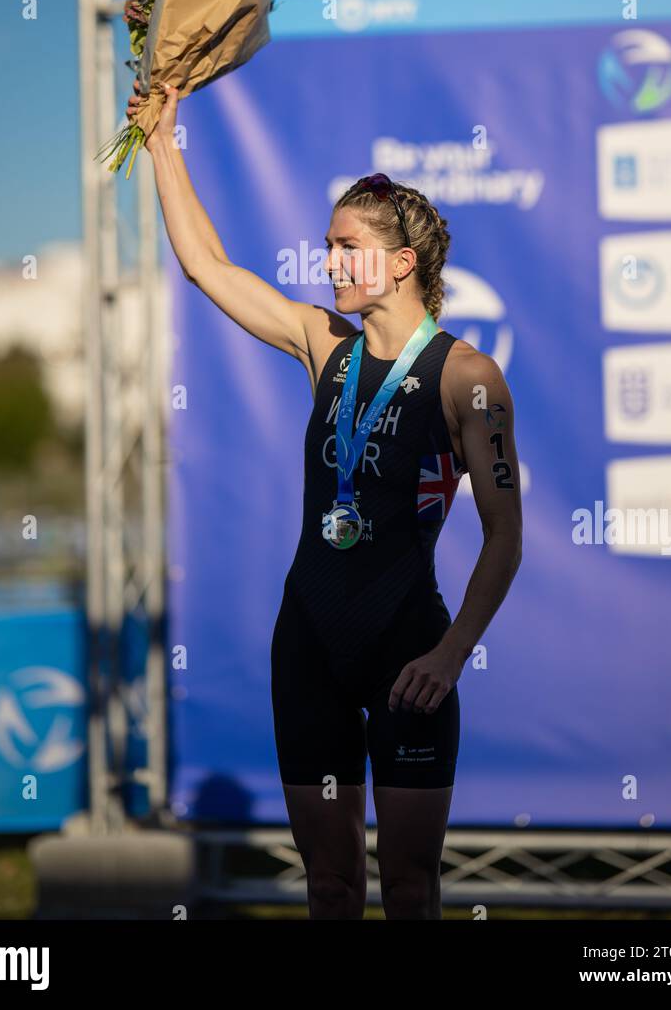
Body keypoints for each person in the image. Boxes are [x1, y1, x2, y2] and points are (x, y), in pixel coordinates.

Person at [129, 81, 523, 920]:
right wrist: (164, 140)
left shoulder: (468, 378)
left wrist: (450, 656)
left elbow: (504, 539)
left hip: (409, 654)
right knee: (331, 884)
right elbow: (206, 266)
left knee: (410, 886)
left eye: (346, 246)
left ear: (403, 262)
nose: (329, 262)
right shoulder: (323, 343)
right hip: (306, 642)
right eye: (326, 245)